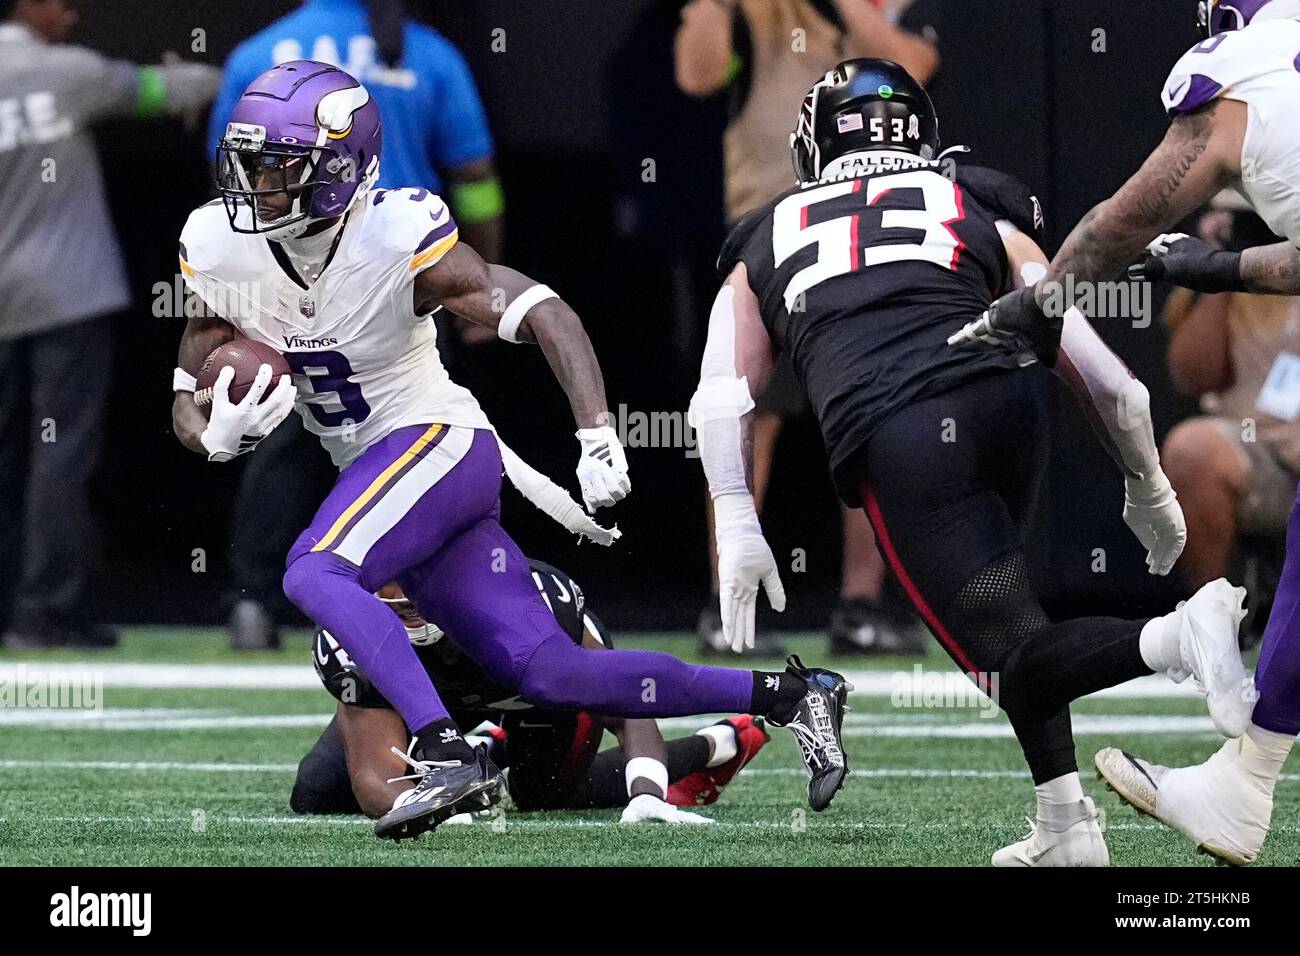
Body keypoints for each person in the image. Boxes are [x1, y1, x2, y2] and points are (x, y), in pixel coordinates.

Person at [170, 61, 851, 841]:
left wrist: (596, 431)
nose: (256, 185)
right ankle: (791, 693)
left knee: (314, 569)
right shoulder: (218, 245)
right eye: (249, 164)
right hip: (387, 478)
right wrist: (211, 434)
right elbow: (188, 391)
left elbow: (543, 310)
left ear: (338, 171)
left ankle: (444, 749)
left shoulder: (394, 235)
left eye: (278, 168)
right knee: (552, 674)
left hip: (437, 446)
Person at [691, 58, 1255, 866]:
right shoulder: (972, 198)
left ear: (815, 144)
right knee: (1011, 618)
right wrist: (1147, 482)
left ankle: (1175, 636)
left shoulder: (766, 229)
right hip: (1009, 407)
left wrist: (740, 521)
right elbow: (1111, 383)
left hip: (905, 432)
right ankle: (1064, 824)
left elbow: (719, 400)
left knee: (1011, 661)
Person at [954, 0, 1300, 867]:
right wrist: (1219, 269)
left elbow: (1120, 221)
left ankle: (1246, 781)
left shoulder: (1238, 76)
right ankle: (1246, 779)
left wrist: (1040, 302)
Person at [208, 0, 505, 649]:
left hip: (290, 271)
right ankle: (418, 597)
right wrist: (483, 280)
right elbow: (475, 176)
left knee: (284, 438)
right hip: (403, 277)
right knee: (411, 440)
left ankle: (255, 599)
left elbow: (228, 182)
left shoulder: (259, 52)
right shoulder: (429, 54)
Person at [676, 0, 938, 657]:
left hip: (868, 244)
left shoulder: (894, 13)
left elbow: (912, 67)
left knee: (870, 421)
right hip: (772, 239)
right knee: (747, 413)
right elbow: (696, 74)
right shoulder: (755, 12)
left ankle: (860, 606)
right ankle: (727, 606)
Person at [0, 0, 220, 648]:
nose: (74, 15)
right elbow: (178, 88)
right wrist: (190, 76)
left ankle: (16, 607)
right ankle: (43, 612)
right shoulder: (68, 72)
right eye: (63, 4)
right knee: (60, 454)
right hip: (68, 295)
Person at [292, 560, 770, 823]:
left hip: (534, 699)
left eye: (413, 575)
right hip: (432, 710)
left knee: (544, 795)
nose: (402, 595)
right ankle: (482, 753)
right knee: (317, 791)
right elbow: (377, 777)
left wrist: (647, 793)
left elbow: (625, 702)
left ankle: (720, 742)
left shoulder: (534, 601)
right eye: (384, 579)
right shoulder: (351, 633)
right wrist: (432, 810)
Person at [1158, 199, 1300, 595]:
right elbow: (1192, 377)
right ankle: (1215, 623)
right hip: (1264, 452)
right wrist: (1219, 269)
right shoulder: (1233, 274)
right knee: (1192, 450)